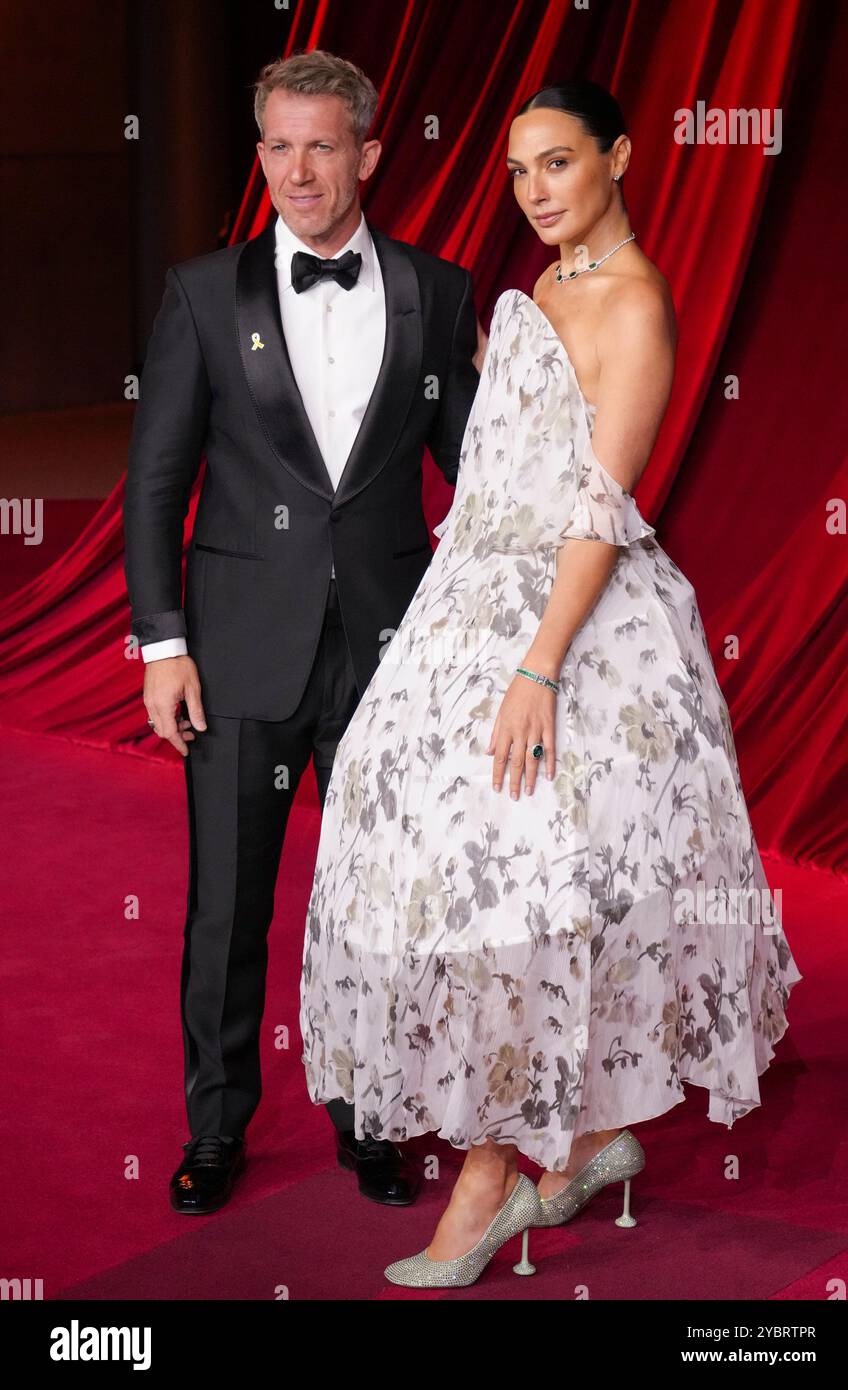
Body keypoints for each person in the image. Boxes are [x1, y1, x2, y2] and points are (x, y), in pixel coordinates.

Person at [299, 78, 803, 1287]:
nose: (534, 193)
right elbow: (504, 465)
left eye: (558, 165)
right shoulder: (538, 293)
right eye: (520, 171)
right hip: (467, 601)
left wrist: (535, 668)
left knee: (522, 884)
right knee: (434, 857)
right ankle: (582, 1137)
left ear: (619, 158)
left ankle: (486, 1182)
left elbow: (595, 509)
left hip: (572, 624)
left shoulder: (632, 303)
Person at [122, 49, 481, 1214]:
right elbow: (155, 482)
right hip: (238, 648)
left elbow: (471, 477)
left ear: (367, 154)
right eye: (277, 146)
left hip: (391, 653)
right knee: (227, 899)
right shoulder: (202, 294)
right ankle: (215, 1126)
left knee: (377, 901)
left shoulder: (438, 290)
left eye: (321, 145)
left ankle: (368, 1112)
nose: (295, 170)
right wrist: (162, 644)